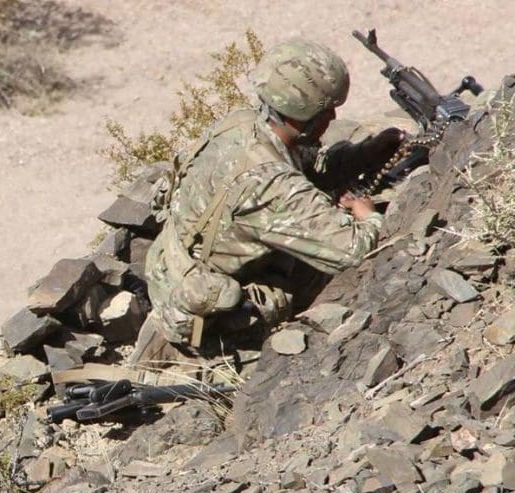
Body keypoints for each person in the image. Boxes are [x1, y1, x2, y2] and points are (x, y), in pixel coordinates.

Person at [130, 38, 407, 366]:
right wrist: (368, 216)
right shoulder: (268, 184)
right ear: (303, 112)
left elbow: (307, 170)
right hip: (213, 316)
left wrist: (362, 155)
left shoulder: (242, 124)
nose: (333, 115)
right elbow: (356, 250)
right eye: (326, 109)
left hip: (174, 268)